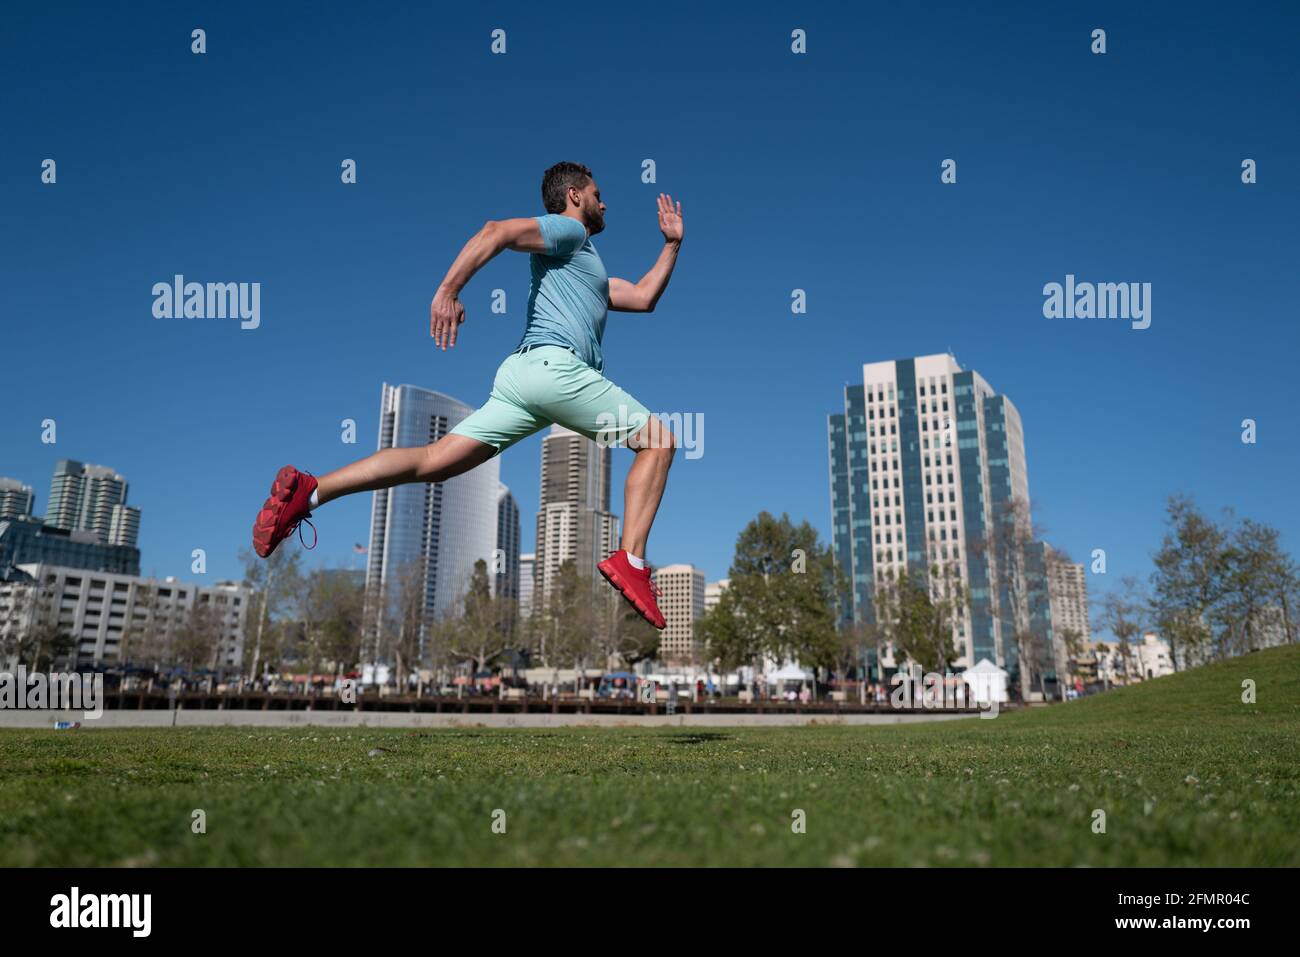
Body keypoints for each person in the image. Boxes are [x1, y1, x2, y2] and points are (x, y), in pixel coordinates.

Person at [250, 162, 684, 629]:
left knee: (433, 461)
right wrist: (448, 290)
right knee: (659, 441)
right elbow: (496, 231)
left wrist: (672, 244)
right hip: (555, 368)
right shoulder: (569, 233)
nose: (605, 202)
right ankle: (632, 561)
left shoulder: (586, 268)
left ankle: (312, 493)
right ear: (575, 196)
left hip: (521, 381)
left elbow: (642, 297)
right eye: (598, 193)